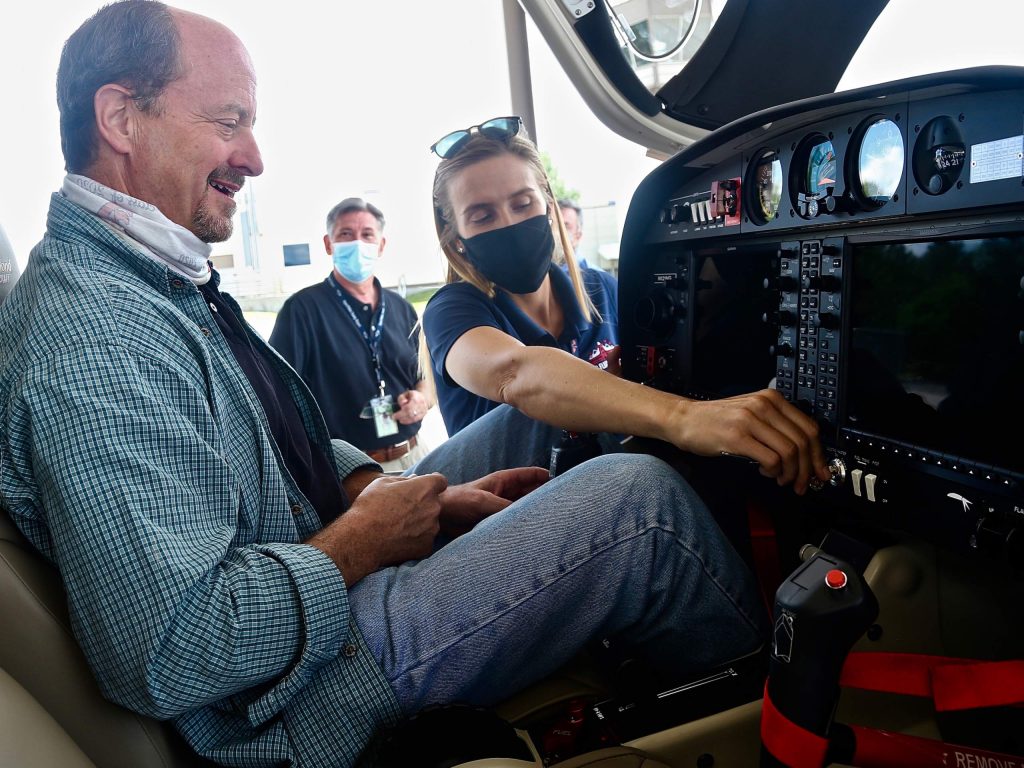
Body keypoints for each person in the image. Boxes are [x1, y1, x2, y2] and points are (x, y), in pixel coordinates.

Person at [0, 4, 785, 767]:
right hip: (293, 697)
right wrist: (364, 539)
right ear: (120, 119)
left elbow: (266, 435)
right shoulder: (95, 337)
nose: (255, 157)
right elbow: (173, 651)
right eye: (229, 122)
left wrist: (383, 487)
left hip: (304, 589)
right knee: (639, 505)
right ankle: (781, 718)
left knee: (541, 430)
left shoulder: (154, 277)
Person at [421, 117, 831, 492]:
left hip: (611, 492)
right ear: (456, 238)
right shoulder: (452, 310)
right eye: (481, 216)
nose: (509, 223)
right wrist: (684, 419)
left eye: (522, 203)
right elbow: (514, 373)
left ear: (548, 204)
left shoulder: (601, 290)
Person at [270, 198, 432, 472]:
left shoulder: (401, 308)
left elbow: (425, 377)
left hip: (415, 455)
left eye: (367, 234)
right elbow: (279, 397)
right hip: (352, 472)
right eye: (346, 234)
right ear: (328, 244)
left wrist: (422, 400)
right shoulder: (302, 311)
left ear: (381, 245)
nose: (358, 243)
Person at [557, 197, 598, 271]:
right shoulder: (539, 276)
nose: (556, 232)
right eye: (554, 225)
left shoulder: (599, 280)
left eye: (565, 226)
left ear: (578, 236)